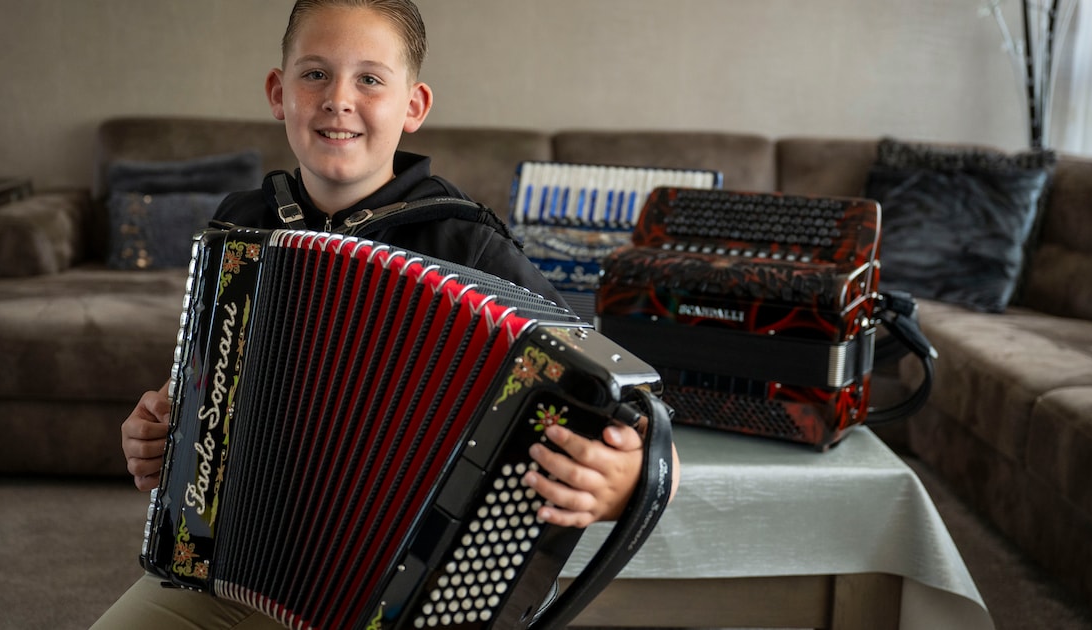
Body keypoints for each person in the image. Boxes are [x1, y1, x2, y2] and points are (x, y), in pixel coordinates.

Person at [96, 1, 679, 628]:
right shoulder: (243, 224)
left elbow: (628, 404)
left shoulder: (468, 247)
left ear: (414, 106)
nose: (338, 99)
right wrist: (164, 429)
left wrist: (630, 480)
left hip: (404, 600)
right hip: (230, 575)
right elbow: (208, 390)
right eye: (314, 73)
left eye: (370, 79)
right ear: (277, 90)